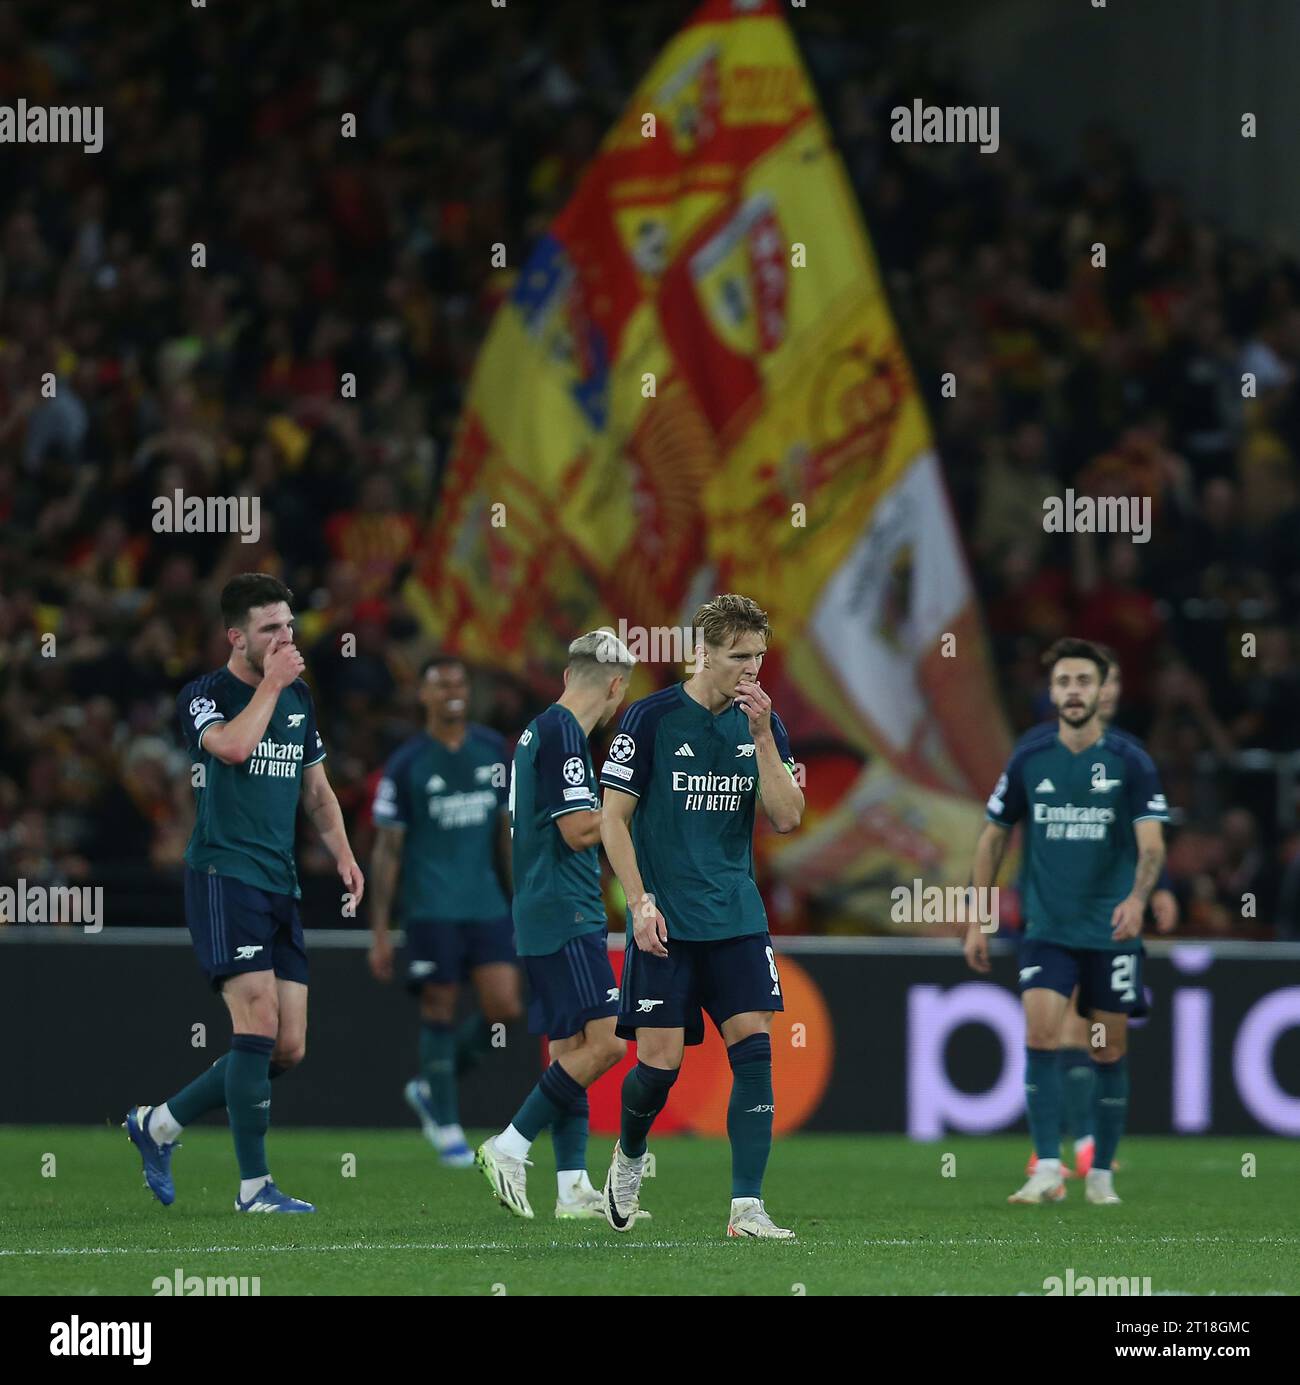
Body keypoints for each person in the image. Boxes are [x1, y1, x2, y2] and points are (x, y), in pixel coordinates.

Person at [125, 573, 364, 1213]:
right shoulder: (205, 694)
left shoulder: (299, 698)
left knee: (285, 1047)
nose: (285, 639)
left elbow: (315, 790)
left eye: (290, 627)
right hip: (222, 875)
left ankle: (160, 1124)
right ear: (237, 637)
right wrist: (274, 684)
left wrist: (342, 852)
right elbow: (232, 747)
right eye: (270, 630)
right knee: (255, 1023)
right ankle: (254, 1189)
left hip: (279, 882)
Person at [598, 594, 804, 1239]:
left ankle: (747, 1208)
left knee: (755, 1048)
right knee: (658, 1067)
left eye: (759, 658)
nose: (750, 671)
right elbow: (613, 818)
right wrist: (638, 902)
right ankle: (629, 1157)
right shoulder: (650, 718)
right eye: (738, 657)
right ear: (702, 653)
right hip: (666, 919)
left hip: (737, 914)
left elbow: (789, 817)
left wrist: (766, 736)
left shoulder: (763, 723)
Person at [965, 637, 1168, 1206]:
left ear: (1101, 690)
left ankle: (1100, 1172)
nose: (1073, 692)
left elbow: (1151, 844)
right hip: (1047, 930)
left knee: (1107, 1050)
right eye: (1063, 682)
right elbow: (993, 835)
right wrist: (978, 917)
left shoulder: (1131, 761)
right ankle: (1048, 1168)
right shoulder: (1031, 757)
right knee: (1039, 1033)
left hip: (1112, 932)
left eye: (1083, 682)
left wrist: (1137, 897)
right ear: (1051, 691)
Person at [476, 631, 641, 1220]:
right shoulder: (566, 735)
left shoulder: (540, 730)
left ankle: (571, 1186)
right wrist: (632, 805)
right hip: (564, 908)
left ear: (571, 674)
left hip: (547, 906)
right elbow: (577, 830)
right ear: (616, 687)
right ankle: (509, 1146)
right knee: (609, 1043)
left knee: (570, 1046)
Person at [368, 656, 521, 1168]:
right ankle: (448, 1124)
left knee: (504, 1006)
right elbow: (388, 851)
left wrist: (518, 900)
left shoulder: (490, 749)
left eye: (460, 682)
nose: (453, 691)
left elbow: (504, 833)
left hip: (487, 903)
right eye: (441, 684)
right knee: (438, 1006)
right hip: (432, 907)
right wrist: (381, 931)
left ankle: (432, 1085)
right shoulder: (407, 763)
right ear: (423, 695)